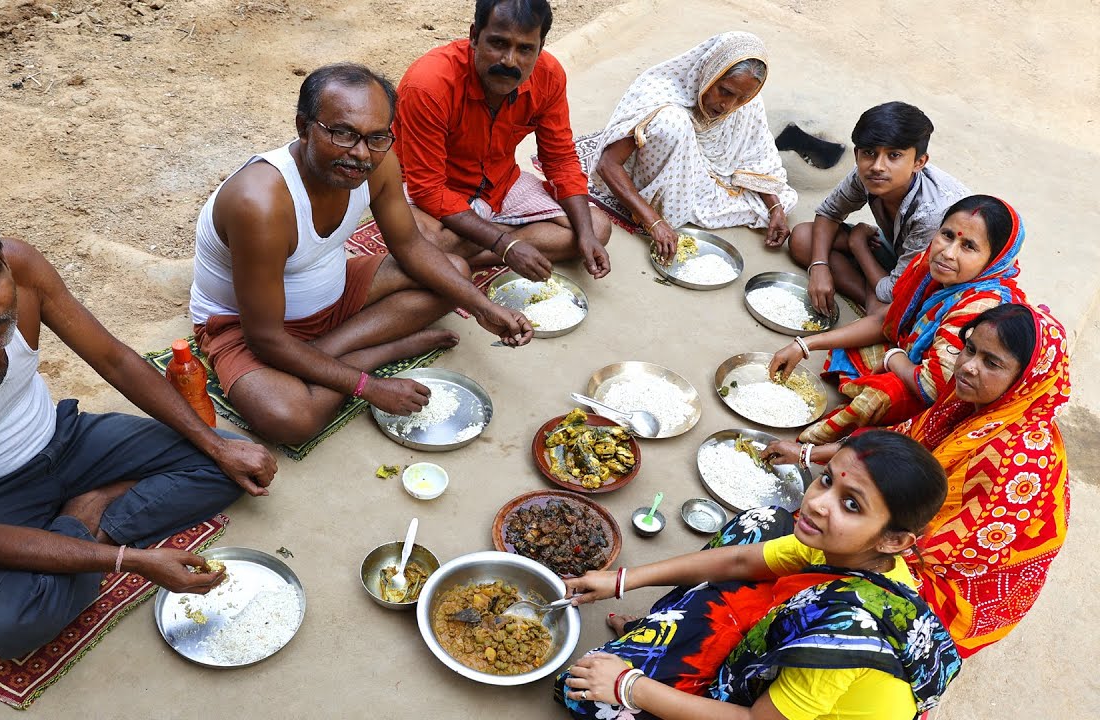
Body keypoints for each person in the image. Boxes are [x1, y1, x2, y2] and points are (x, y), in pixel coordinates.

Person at [0, 190, 279, 659]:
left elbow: (115, 360)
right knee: (14, 626)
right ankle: (80, 521)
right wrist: (132, 561)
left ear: (4, 260)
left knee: (231, 460)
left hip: (65, 439)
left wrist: (214, 445)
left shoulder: (25, 267)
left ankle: (90, 507)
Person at [190, 63, 532, 445]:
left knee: (453, 272)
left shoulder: (379, 161)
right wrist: (368, 385)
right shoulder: (260, 204)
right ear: (304, 127)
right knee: (291, 420)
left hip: (334, 295)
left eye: (376, 137)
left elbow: (411, 247)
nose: (359, 154)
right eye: (343, 133)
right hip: (248, 327)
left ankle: (321, 356)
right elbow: (264, 338)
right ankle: (367, 354)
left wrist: (484, 309)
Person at [555, 431, 961, 719]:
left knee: (587, 696)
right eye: (826, 481)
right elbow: (740, 562)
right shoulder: (848, 549)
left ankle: (659, 652)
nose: (818, 504)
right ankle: (661, 631)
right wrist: (622, 580)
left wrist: (629, 686)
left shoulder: (843, 642)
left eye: (851, 505)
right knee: (762, 522)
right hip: (785, 643)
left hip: (774, 711)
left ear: (894, 541)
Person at [765, 303, 1070, 657]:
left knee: (829, 602)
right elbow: (901, 448)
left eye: (992, 363)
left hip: (956, 587)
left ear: (1025, 379)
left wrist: (839, 534)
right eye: (970, 349)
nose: (969, 366)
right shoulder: (968, 398)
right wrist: (808, 455)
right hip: (921, 538)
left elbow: (937, 551)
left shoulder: (1017, 462)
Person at [771, 194, 1026, 444]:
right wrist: (804, 345)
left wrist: (893, 359)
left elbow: (933, 388)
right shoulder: (929, 266)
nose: (948, 253)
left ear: (995, 259)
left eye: (968, 246)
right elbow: (888, 323)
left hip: (951, 394)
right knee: (852, 343)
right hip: (917, 357)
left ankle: (813, 442)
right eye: (947, 235)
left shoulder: (980, 305)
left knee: (879, 396)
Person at [392, 0, 612, 283]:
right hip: (438, 191)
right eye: (498, 43)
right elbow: (428, 189)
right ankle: (489, 245)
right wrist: (505, 244)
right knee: (425, 241)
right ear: (474, 36)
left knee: (596, 228)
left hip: (500, 185)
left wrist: (585, 236)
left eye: (525, 49)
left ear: (540, 46)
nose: (509, 61)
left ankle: (460, 258)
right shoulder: (428, 84)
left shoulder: (549, 75)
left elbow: (559, 160)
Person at [578, 31, 798, 260]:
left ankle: (686, 206)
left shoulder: (746, 102)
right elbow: (608, 164)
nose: (728, 105)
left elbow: (757, 156)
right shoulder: (660, 94)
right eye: (725, 91)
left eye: (741, 98)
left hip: (706, 178)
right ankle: (657, 206)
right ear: (710, 71)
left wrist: (775, 209)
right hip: (652, 176)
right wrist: (653, 222)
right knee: (671, 124)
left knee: (785, 200)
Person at [788, 102, 969, 315]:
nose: (877, 166)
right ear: (857, 154)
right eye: (869, 153)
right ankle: (874, 306)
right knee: (802, 238)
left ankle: (881, 312)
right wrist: (819, 267)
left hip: (937, 276)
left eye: (894, 156)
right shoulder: (864, 175)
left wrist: (858, 244)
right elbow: (829, 213)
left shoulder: (932, 212)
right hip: (899, 253)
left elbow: (893, 291)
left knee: (895, 303)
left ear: (919, 162)